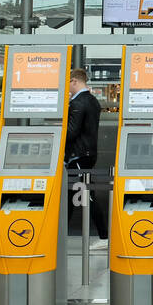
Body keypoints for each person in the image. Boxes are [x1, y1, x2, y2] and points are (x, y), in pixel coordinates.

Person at [66, 68, 109, 247]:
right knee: (72, 194)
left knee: (85, 194)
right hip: (88, 153)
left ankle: (104, 236)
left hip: (79, 155)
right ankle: (59, 235)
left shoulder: (78, 103)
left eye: (68, 82)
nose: (67, 87)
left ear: (75, 81)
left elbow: (72, 132)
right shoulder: (92, 100)